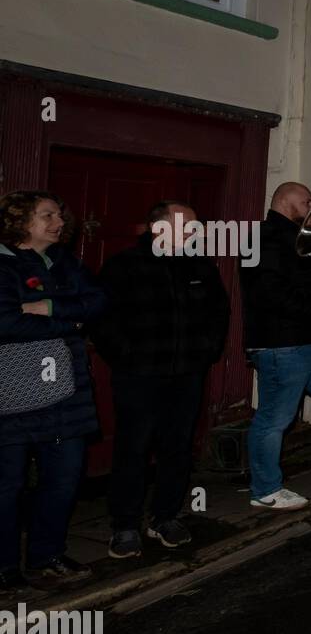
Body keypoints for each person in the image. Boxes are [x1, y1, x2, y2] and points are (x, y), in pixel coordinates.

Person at [95, 201, 230, 558]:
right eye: (188, 226)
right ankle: (124, 525)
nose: (196, 232)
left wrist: (205, 352)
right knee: (133, 448)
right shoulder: (123, 266)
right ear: (158, 227)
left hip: (187, 375)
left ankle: (165, 517)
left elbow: (219, 312)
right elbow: (102, 320)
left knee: (178, 447)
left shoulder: (200, 265)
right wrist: (127, 356)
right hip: (138, 376)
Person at [0, 191, 106, 590]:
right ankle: (5, 567)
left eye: (59, 215)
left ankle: (48, 555)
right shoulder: (3, 264)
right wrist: (70, 320)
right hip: (10, 394)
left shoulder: (64, 261)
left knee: (63, 478)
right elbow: (6, 323)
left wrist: (47, 307)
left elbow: (97, 302)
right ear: (20, 222)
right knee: (6, 485)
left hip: (67, 393)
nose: (57, 221)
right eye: (46, 215)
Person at [242, 181, 311, 511]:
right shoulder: (259, 238)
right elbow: (267, 294)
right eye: (306, 201)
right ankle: (265, 490)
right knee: (275, 418)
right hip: (283, 345)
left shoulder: (301, 238)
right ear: (284, 201)